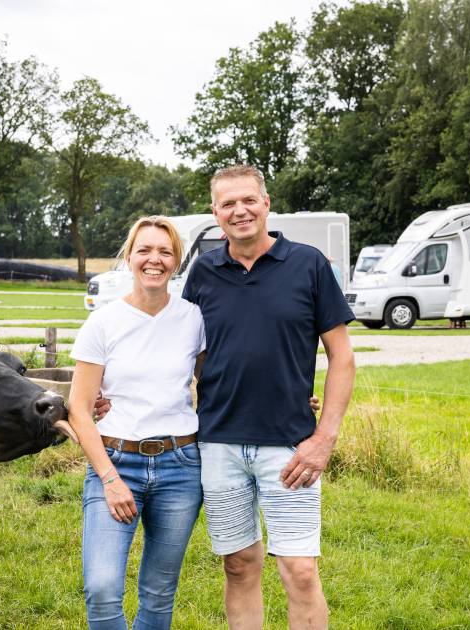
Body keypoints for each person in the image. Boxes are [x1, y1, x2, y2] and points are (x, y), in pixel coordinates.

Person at [182, 164, 355, 629]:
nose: (239, 211)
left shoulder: (308, 264)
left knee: (299, 570)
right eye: (227, 204)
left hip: (290, 445)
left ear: (266, 202)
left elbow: (342, 358)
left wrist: (324, 438)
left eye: (247, 200)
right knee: (238, 565)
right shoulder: (203, 272)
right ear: (215, 213)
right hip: (219, 442)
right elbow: (184, 353)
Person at [68, 216, 206, 630]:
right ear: (129, 257)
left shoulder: (193, 319)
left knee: (160, 592)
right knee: (103, 586)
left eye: (165, 252)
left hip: (180, 465)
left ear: (176, 262)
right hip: (116, 460)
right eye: (144, 250)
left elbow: (222, 383)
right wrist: (109, 479)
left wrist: (289, 399)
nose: (154, 259)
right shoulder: (103, 323)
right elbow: (78, 407)